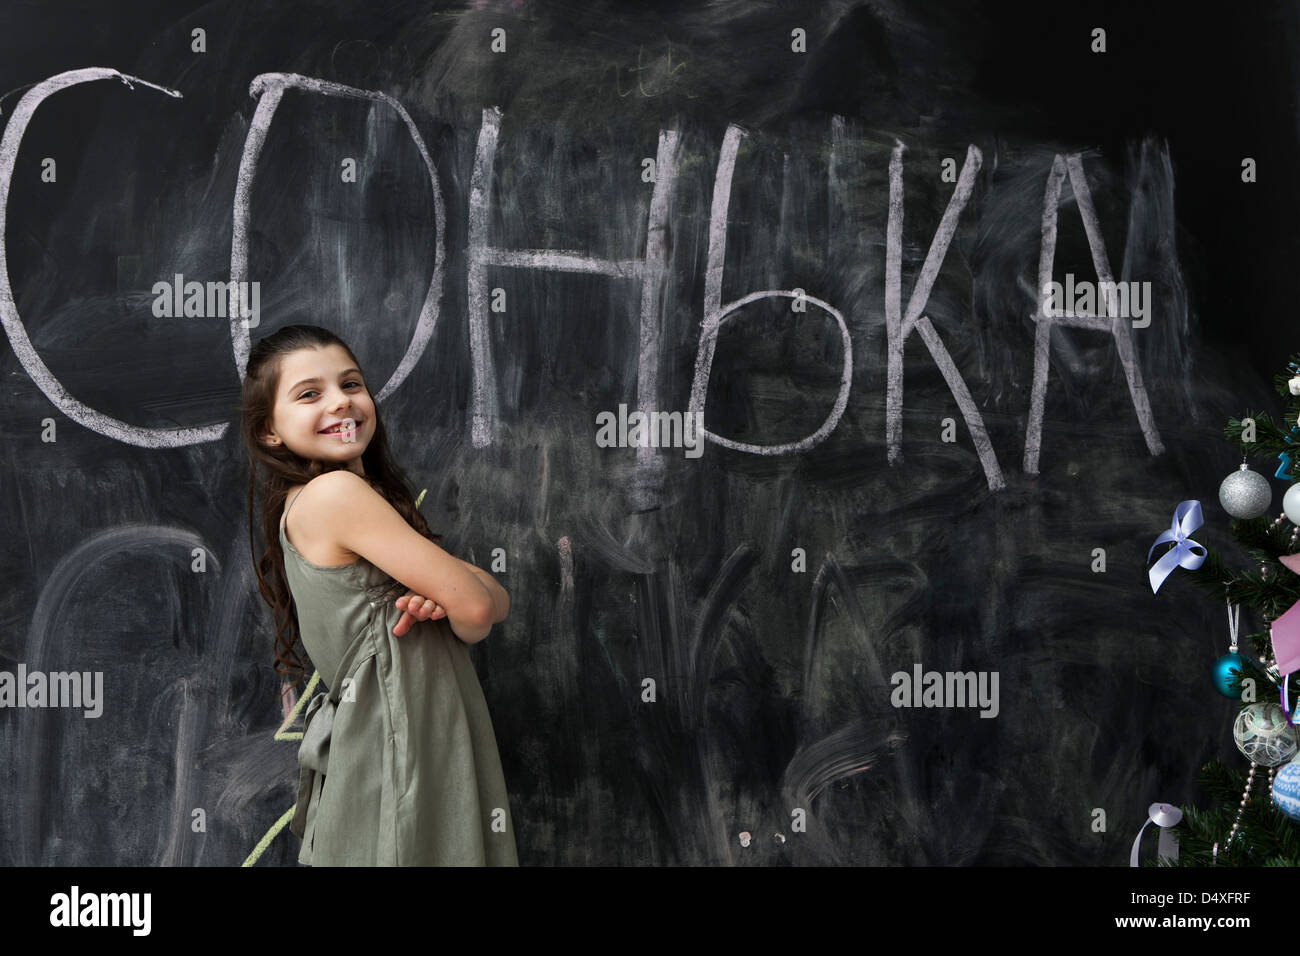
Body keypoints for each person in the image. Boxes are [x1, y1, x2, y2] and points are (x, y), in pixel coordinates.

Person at [242, 324, 518, 866]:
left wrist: (452, 599)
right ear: (270, 431)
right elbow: (481, 605)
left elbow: (480, 614)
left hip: (409, 729)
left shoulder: (338, 499)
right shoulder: (336, 495)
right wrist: (461, 596)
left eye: (351, 384)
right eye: (309, 394)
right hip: (401, 736)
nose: (341, 402)